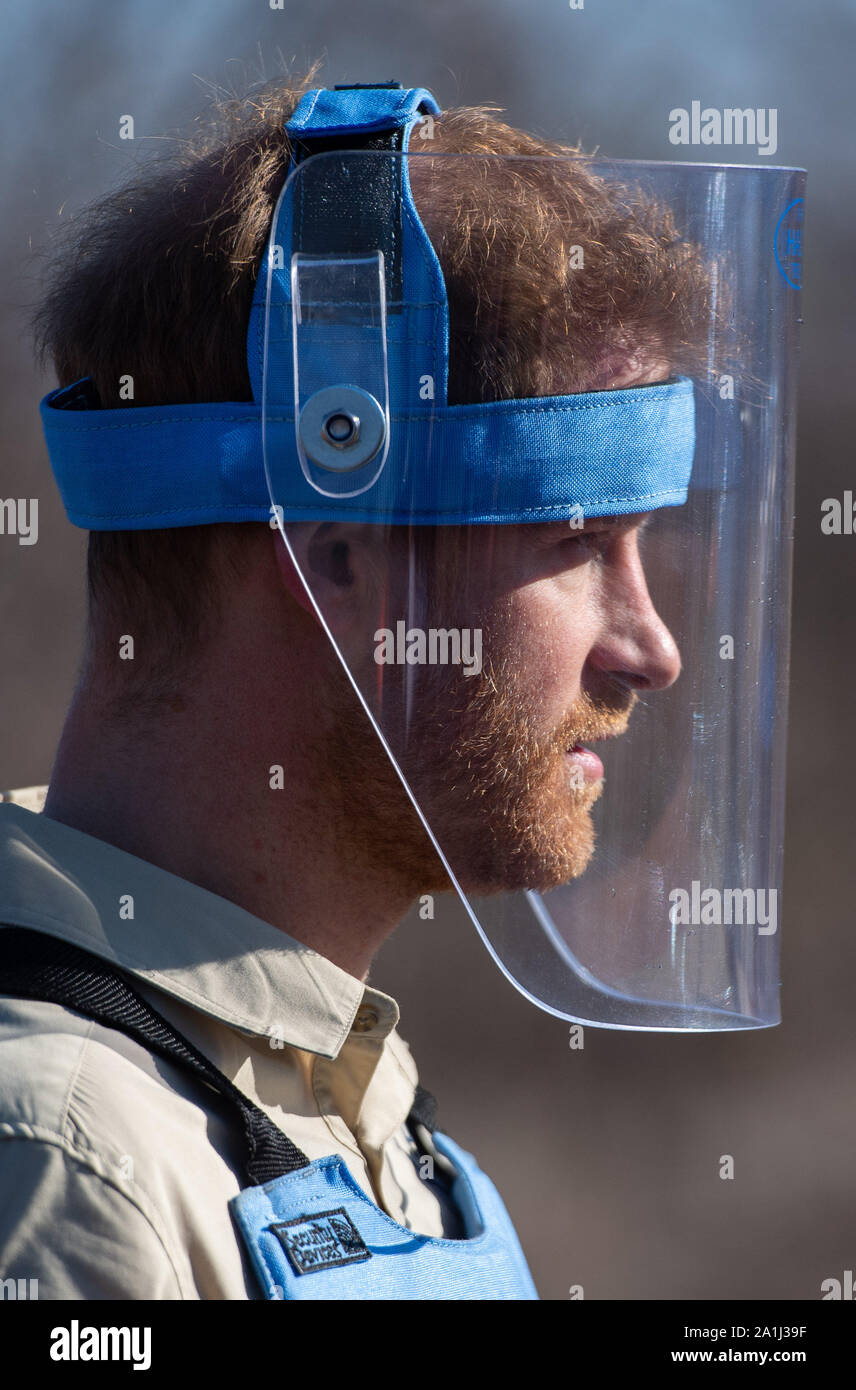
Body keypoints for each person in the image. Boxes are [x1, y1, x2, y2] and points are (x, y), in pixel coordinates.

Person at [0, 76, 738, 1300]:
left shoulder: (351, 1110)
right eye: (578, 543)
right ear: (336, 554)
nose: (650, 647)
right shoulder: (79, 1157)